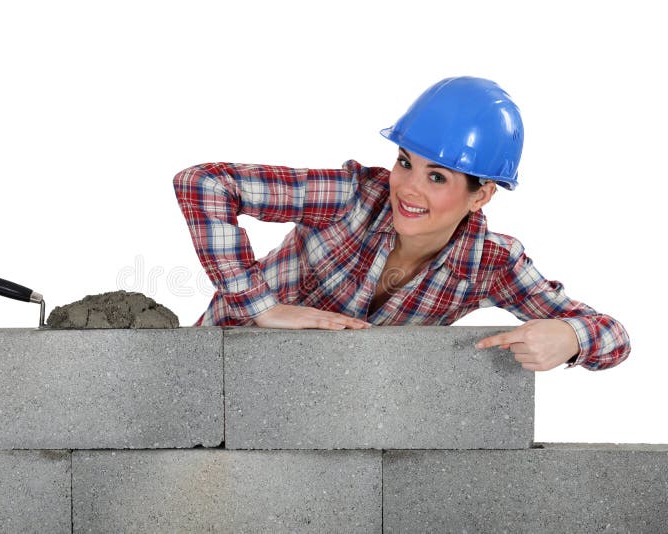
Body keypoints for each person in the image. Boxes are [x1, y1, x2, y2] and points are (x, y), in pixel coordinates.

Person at [173, 76, 630, 372]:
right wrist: (261, 307)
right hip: (209, 372)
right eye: (405, 162)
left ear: (482, 195)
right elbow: (203, 183)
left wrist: (570, 337)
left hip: (305, 420)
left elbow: (613, 335)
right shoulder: (353, 198)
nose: (408, 189)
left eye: (437, 177)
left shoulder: (489, 264)